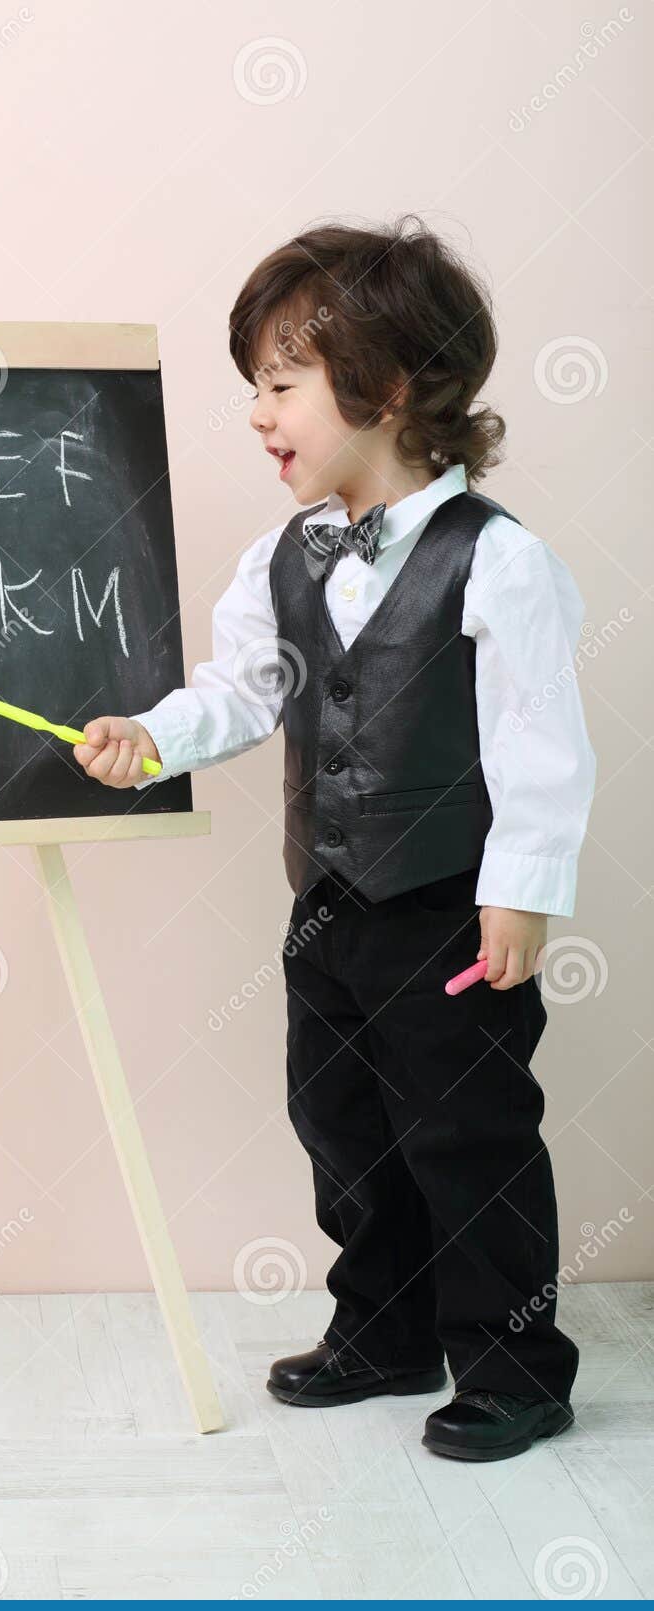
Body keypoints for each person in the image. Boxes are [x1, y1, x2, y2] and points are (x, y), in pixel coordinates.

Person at [72, 216, 597, 1463]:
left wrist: (519, 896)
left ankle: (515, 1369)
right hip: (327, 904)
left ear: (391, 387)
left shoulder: (497, 563)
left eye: (279, 383)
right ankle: (384, 1328)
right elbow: (242, 692)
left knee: (464, 1138)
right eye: (252, 385)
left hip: (449, 915)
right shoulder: (281, 558)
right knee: (340, 1120)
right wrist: (150, 736)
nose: (258, 414)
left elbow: (538, 743)